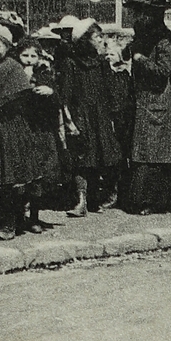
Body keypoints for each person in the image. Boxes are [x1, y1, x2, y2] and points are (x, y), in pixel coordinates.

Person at [0, 14, 45, 238]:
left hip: (9, 127)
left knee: (9, 178)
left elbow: (17, 98)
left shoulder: (13, 68)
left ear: (7, 46)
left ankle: (10, 222)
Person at [121, 0, 171, 215]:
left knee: (156, 154)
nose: (138, 17)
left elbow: (162, 71)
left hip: (158, 103)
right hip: (142, 102)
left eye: (142, 12)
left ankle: (154, 201)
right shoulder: (142, 36)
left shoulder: (165, 41)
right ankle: (138, 199)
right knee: (141, 151)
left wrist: (139, 59)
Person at [58, 17, 123, 216]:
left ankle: (95, 199)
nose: (101, 41)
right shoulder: (71, 63)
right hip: (81, 116)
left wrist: (113, 115)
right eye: (96, 37)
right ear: (85, 40)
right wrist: (69, 122)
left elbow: (111, 91)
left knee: (99, 157)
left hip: (100, 116)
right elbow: (65, 97)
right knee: (82, 159)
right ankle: (81, 201)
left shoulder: (102, 63)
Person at [15, 35, 64, 232]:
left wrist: (49, 92)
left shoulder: (45, 73)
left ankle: (35, 217)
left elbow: (59, 100)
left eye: (32, 55)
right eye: (24, 55)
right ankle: (18, 216)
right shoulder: (14, 73)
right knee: (21, 176)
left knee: (40, 176)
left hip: (41, 130)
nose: (28, 59)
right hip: (22, 129)